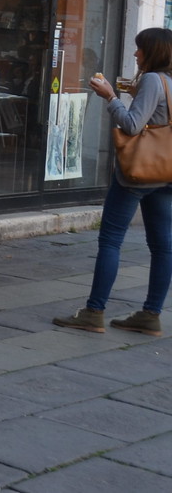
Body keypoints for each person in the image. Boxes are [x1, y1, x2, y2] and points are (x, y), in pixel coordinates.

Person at [54, 26, 172, 336]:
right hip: (165, 173)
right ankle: (150, 315)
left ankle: (94, 311)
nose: (136, 53)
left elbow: (133, 125)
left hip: (136, 174)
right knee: (163, 248)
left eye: (140, 48)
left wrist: (109, 97)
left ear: (154, 51)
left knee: (110, 240)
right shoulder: (168, 82)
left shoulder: (152, 79)